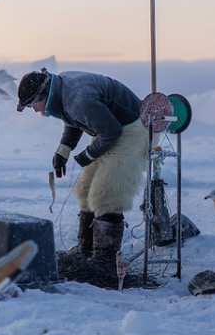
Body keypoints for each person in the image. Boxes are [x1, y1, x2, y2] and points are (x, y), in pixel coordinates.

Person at [16, 67, 145, 287]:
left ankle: (105, 260)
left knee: (106, 193)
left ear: (42, 96)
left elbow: (112, 132)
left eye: (32, 106)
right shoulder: (62, 90)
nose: (35, 111)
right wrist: (63, 150)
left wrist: (87, 155)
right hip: (109, 130)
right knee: (85, 189)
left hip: (132, 128)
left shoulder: (79, 99)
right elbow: (73, 119)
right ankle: (86, 250)